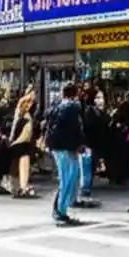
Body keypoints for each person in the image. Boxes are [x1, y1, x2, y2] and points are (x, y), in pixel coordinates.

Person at [45, 82, 86, 226]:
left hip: (57, 146)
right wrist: (79, 144)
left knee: (67, 177)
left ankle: (61, 209)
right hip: (67, 147)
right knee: (68, 178)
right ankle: (60, 210)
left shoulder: (56, 107)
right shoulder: (73, 108)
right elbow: (76, 128)